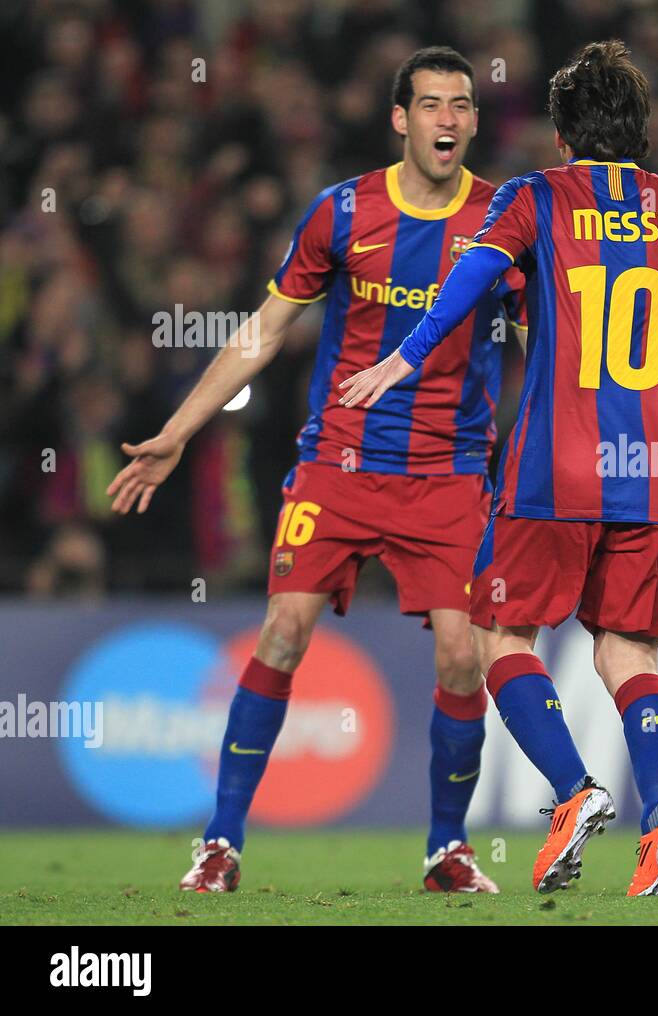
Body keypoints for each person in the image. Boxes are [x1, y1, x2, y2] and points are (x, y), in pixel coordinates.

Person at [339, 40, 658, 896]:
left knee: (502, 634)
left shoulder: (537, 197)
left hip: (552, 468)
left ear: (562, 138)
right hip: (649, 473)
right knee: (630, 650)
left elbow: (471, 278)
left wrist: (408, 355)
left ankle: (574, 791)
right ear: (642, 133)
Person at [107, 46, 525, 894]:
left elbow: (537, 342)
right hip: (338, 464)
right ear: (400, 118)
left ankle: (447, 851)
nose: (448, 119)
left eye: (462, 105)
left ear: (476, 121)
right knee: (283, 631)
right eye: (431, 104)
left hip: (448, 475)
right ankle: (220, 845)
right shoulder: (342, 213)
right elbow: (264, 332)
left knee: (460, 658)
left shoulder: (504, 222)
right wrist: (180, 430)